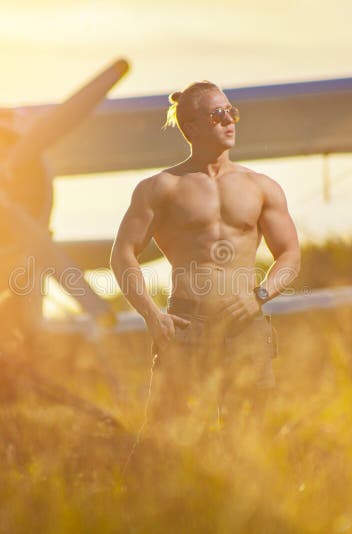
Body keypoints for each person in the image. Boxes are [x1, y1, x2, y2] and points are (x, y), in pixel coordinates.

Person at [110, 81, 300, 446]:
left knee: (250, 444)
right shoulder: (162, 187)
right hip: (185, 327)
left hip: (246, 325)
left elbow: (290, 254)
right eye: (218, 114)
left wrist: (257, 296)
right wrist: (152, 315)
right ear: (192, 127)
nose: (229, 120)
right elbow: (123, 254)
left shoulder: (261, 187)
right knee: (165, 445)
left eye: (232, 112)